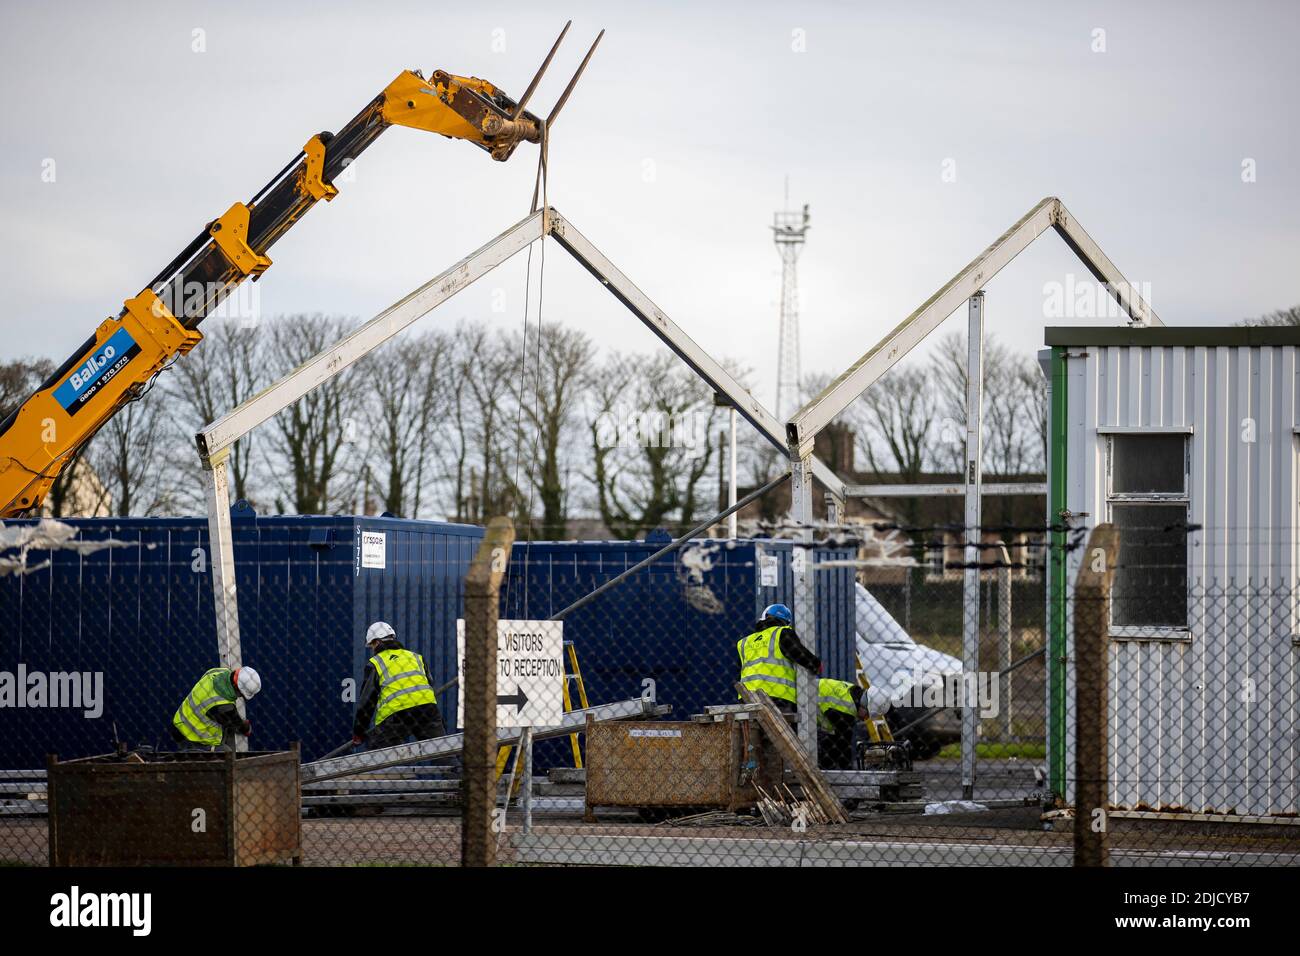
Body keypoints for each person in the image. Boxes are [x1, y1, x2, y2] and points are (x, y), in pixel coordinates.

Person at [352, 621, 446, 750]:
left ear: (377, 642)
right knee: (442, 750)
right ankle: (456, 768)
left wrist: (359, 732)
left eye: (372, 645)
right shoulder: (416, 657)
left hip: (396, 715)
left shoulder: (376, 663)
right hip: (427, 710)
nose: (372, 649)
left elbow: (367, 702)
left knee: (377, 756)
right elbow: (429, 684)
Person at [736, 603, 821, 713]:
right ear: (786, 622)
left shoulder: (744, 642)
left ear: (764, 617)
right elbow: (798, 653)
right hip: (777, 697)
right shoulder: (782, 632)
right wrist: (816, 664)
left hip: (747, 697)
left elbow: (740, 672)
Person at [170, 665, 261, 751]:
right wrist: (246, 728)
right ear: (238, 689)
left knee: (228, 731)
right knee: (227, 754)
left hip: (181, 721)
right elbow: (240, 726)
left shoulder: (216, 672)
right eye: (242, 695)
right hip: (192, 737)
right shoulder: (223, 706)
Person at [816, 677, 868, 770]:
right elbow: (844, 747)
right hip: (801, 701)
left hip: (806, 691)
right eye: (867, 715)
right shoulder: (847, 712)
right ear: (864, 705)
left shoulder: (853, 692)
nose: (865, 719)